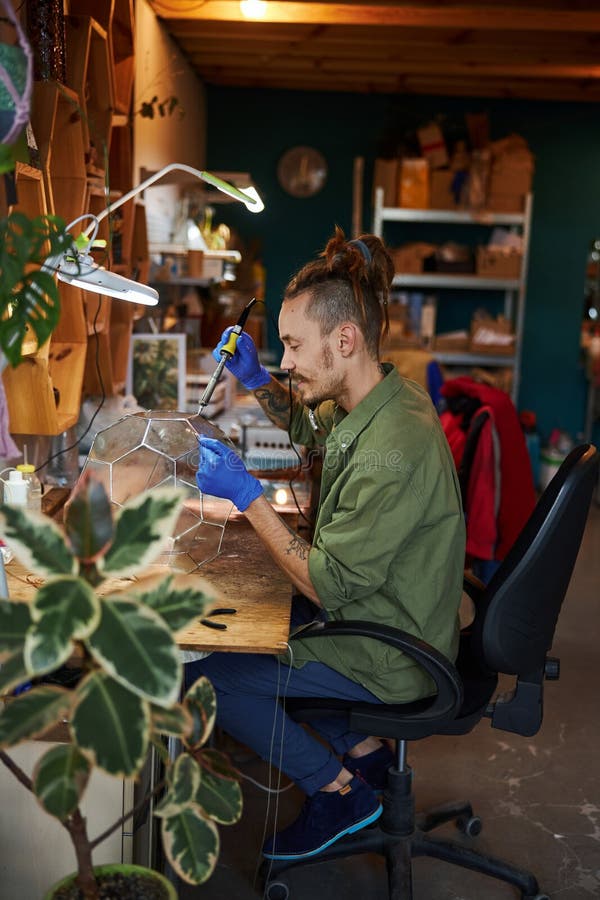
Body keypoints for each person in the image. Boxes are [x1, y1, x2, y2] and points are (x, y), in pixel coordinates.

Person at [190, 227, 466, 861]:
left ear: (345, 339)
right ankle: (364, 756)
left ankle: (339, 792)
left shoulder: (395, 449)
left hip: (389, 649)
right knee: (258, 614)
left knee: (211, 678)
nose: (285, 360)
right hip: (387, 614)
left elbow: (326, 585)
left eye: (290, 346)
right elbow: (311, 427)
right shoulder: (372, 399)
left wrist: (247, 498)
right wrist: (257, 379)